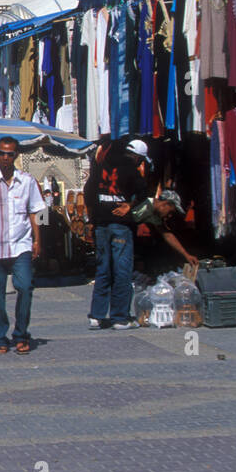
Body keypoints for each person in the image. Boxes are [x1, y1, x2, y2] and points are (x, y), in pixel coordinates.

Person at [0, 136, 46, 354]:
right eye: (1, 153)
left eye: (9, 154)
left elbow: (36, 211)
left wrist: (38, 239)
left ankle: (21, 333)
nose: (5, 157)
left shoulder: (28, 181)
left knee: (25, 286)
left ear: (16, 156)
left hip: (21, 244)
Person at [84, 139, 149, 329]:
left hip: (101, 224)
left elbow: (88, 191)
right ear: (137, 157)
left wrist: (92, 217)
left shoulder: (101, 164)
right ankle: (120, 317)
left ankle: (96, 316)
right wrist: (129, 205)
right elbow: (143, 192)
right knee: (122, 271)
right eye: (141, 160)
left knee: (103, 269)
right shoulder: (131, 169)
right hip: (120, 225)